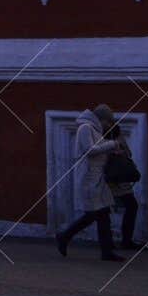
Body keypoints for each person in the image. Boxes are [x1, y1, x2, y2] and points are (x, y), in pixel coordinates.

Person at [56, 104, 123, 261]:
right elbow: (90, 150)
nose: (109, 125)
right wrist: (112, 144)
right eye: (108, 122)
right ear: (102, 119)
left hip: (97, 176)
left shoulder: (94, 129)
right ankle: (64, 235)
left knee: (103, 213)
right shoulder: (85, 128)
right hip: (88, 177)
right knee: (93, 214)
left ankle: (107, 251)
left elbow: (97, 149)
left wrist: (111, 149)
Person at [107, 124, 141, 251]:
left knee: (130, 206)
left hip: (118, 181)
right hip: (114, 181)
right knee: (130, 206)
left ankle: (123, 240)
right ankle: (124, 241)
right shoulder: (105, 141)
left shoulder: (104, 139)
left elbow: (128, 154)